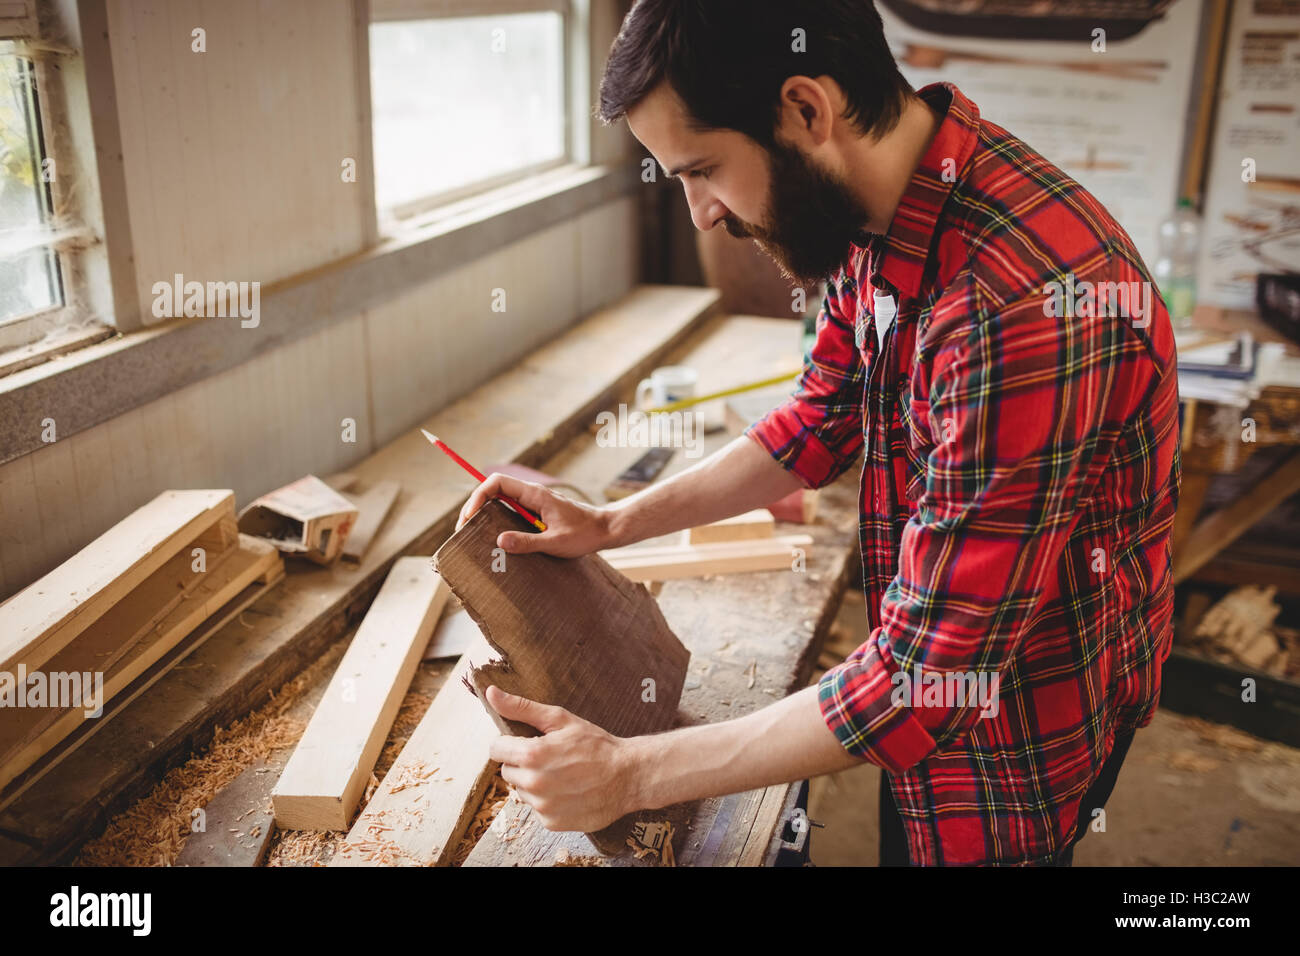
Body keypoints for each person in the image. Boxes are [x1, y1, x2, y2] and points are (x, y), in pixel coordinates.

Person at [458, 0, 1181, 866]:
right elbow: (819, 419)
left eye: (703, 171)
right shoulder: (874, 210)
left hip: (1021, 732)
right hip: (932, 705)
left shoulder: (1019, 310)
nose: (700, 215)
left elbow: (921, 683)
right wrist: (611, 524)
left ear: (806, 110)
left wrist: (630, 776)